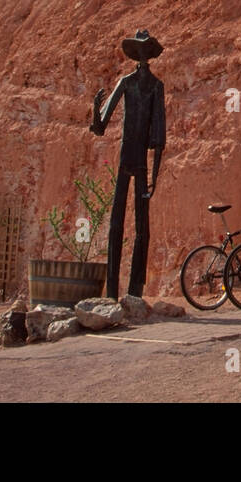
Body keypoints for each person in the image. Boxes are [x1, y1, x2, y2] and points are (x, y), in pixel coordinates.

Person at [89, 29, 166, 298]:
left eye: (147, 50)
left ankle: (135, 291)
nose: (143, 56)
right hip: (125, 158)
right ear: (136, 54)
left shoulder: (156, 86)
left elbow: (159, 135)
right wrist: (94, 108)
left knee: (142, 228)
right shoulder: (126, 82)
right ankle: (111, 292)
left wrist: (155, 175)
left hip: (141, 163)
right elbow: (100, 125)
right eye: (140, 50)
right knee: (115, 225)